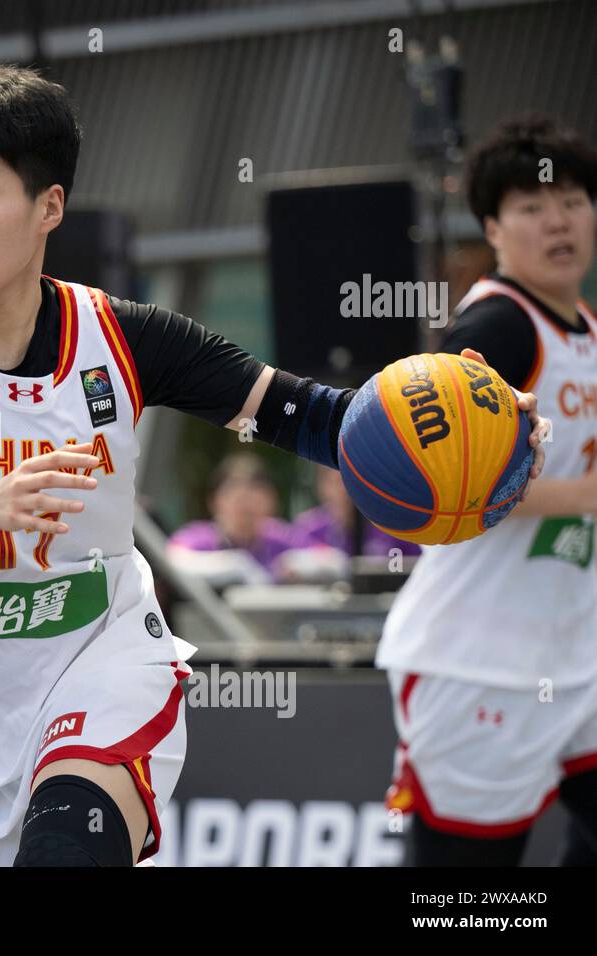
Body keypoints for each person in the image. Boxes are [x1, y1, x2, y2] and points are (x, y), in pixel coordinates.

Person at [0, 63, 548, 866]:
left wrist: (485, 431)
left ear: (48, 207)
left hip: (99, 662)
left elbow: (320, 420)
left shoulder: (121, 336)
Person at [378, 114, 597, 866]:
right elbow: (439, 489)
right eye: (533, 208)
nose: (558, 221)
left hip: (574, 655)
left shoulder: (587, 330)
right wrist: (583, 496)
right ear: (494, 227)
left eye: (572, 201)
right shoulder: (498, 327)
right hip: (480, 661)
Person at [169, 452, 308, 582]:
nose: (247, 507)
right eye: (238, 499)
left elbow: (322, 556)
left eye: (255, 498)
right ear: (214, 501)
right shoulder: (199, 537)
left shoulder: (280, 536)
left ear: (272, 502)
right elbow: (173, 559)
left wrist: (297, 564)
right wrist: (238, 565)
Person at [293, 464, 421, 559]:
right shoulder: (309, 530)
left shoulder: (393, 527)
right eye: (335, 482)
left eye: (349, 481)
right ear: (321, 487)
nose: (343, 490)